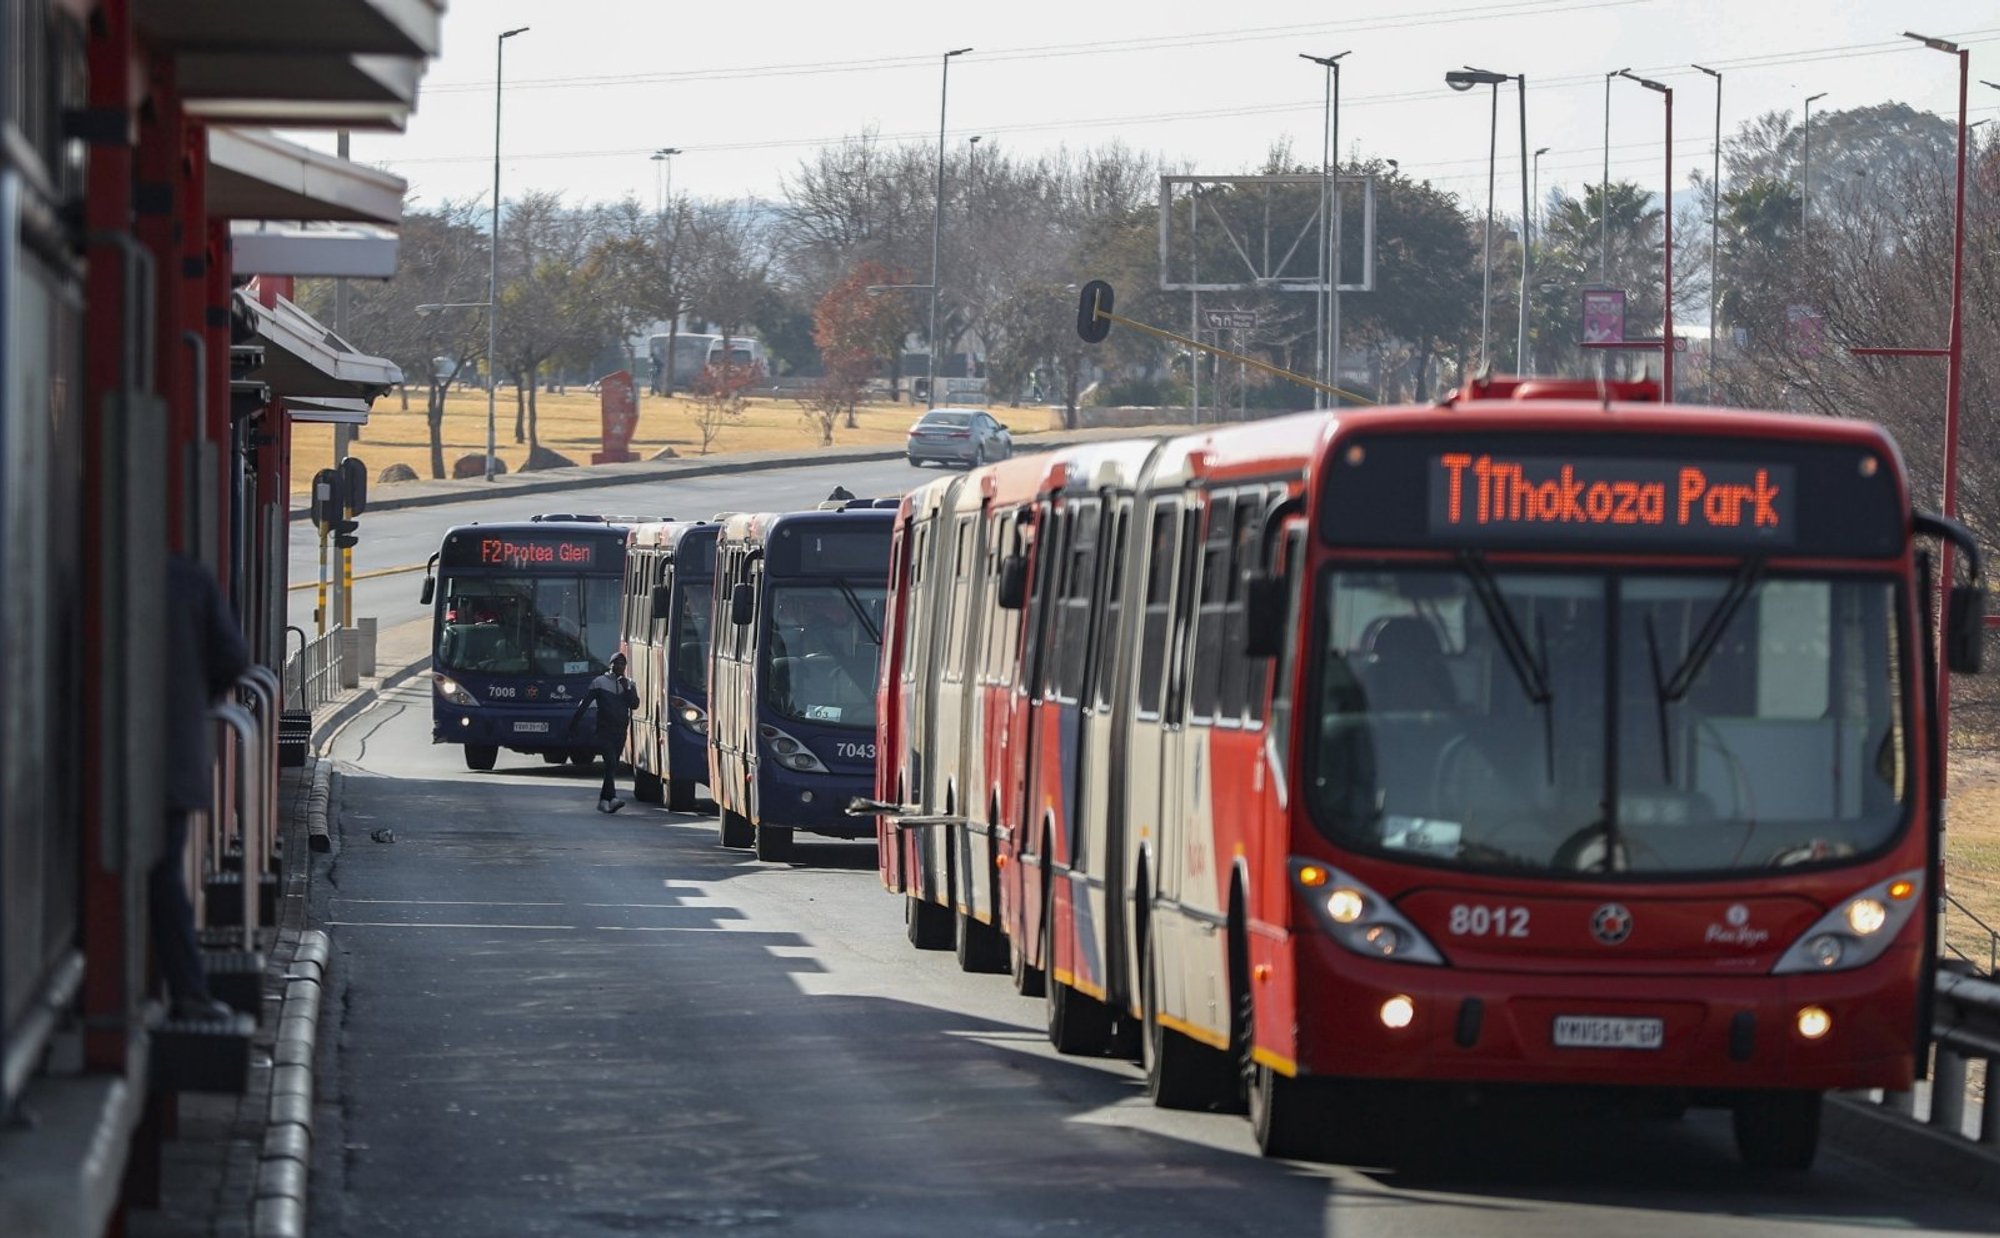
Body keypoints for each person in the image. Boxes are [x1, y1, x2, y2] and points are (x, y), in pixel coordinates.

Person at [161, 554, 251, 1021]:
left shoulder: (87, 563)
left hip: (84, 762)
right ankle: (187, 991)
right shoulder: (187, 578)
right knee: (163, 876)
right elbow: (233, 658)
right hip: (170, 758)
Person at [571, 652, 639, 812]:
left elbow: (634, 705)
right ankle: (612, 797)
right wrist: (573, 725)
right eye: (616, 663)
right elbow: (584, 704)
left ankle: (604, 800)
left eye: (623, 664)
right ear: (610, 665)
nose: (620, 667)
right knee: (611, 763)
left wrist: (627, 689)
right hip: (604, 730)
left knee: (611, 766)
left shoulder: (629, 684)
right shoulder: (599, 682)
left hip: (621, 730)